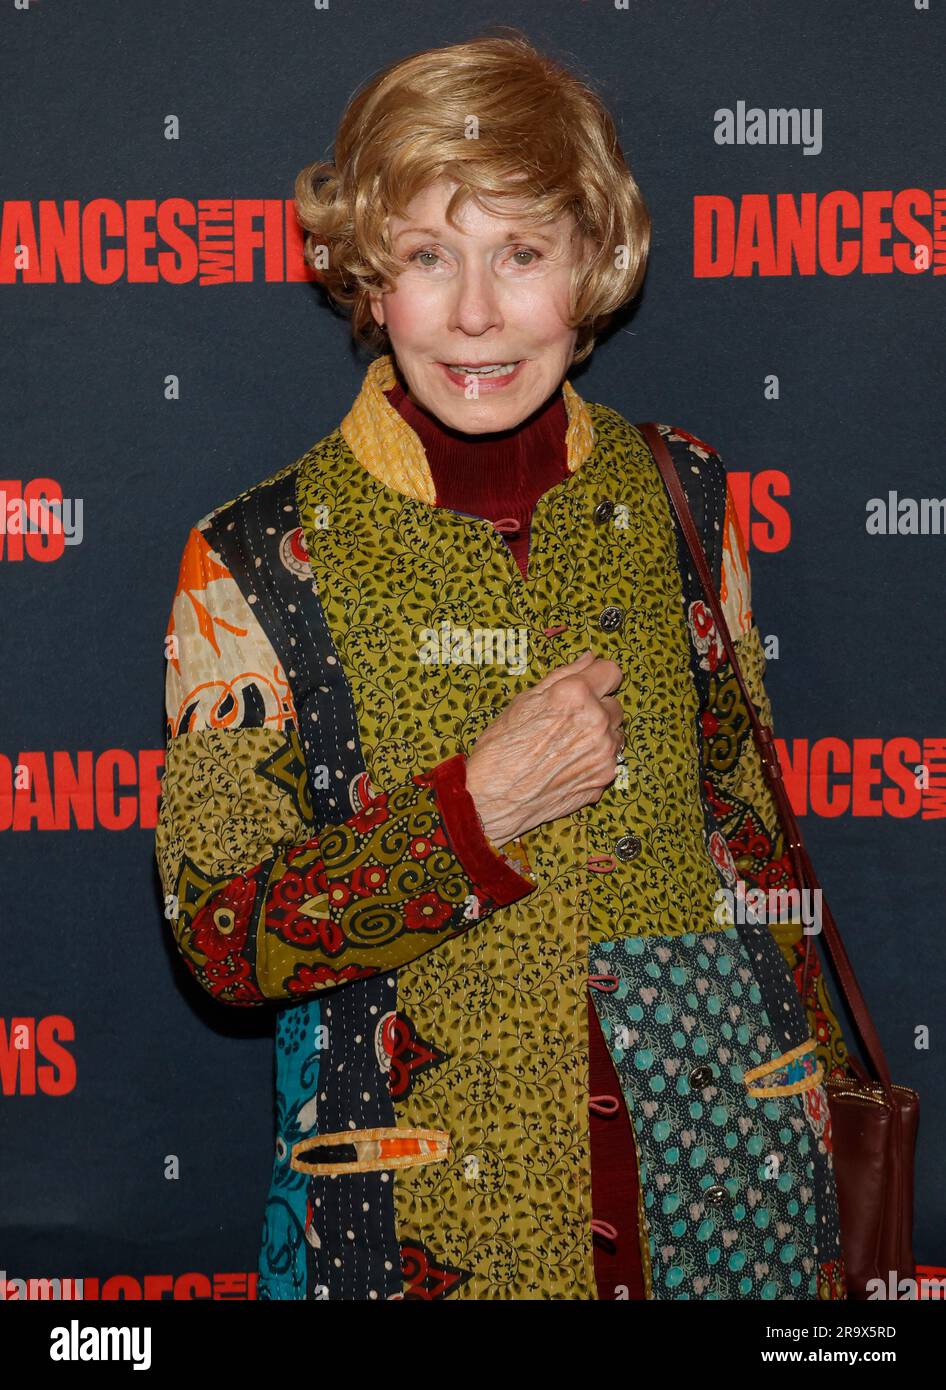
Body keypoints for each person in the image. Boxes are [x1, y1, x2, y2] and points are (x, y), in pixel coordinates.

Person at [155, 30, 857, 1301]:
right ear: (370, 284)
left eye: (519, 253)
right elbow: (221, 935)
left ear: (593, 266)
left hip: (727, 1205)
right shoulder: (254, 557)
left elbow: (749, 839)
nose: (476, 313)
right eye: (429, 257)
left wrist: (805, 1106)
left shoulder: (684, 490)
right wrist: (472, 817)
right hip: (415, 1233)